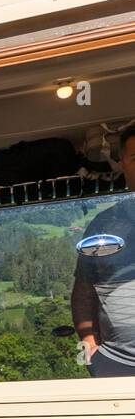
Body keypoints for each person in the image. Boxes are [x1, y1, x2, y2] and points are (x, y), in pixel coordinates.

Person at [72, 123, 135, 377]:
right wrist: (89, 352)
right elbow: (83, 289)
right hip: (116, 364)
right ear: (123, 163)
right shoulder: (104, 223)